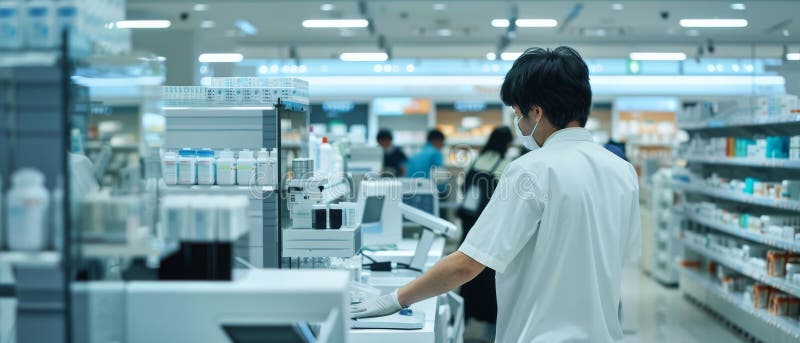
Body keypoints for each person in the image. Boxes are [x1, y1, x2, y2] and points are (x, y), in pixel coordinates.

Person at [351, 46, 641, 343]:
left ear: (537, 112)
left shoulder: (531, 170)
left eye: (518, 114)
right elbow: (621, 258)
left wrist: (395, 299)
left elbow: (467, 263)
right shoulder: (622, 171)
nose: (519, 124)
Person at [456, 126, 513, 337]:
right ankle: (490, 327)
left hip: (469, 223)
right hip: (490, 226)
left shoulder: (477, 160)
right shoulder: (505, 165)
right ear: (506, 143)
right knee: (488, 272)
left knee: (465, 266)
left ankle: (462, 322)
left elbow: (464, 189)